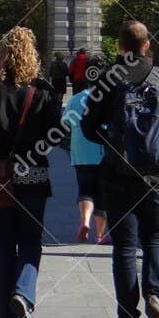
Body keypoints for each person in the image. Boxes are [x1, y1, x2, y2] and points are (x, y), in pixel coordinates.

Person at [84, 22, 159, 318]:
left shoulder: (108, 79)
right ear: (147, 46)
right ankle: (156, 296)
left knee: (125, 247)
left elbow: (88, 127)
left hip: (118, 173)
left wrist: (113, 139)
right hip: (157, 174)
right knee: (156, 238)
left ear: (120, 47)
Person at [0, 26, 62, 318]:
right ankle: (23, 294)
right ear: (33, 54)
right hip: (33, 172)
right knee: (32, 241)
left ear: (2, 54)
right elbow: (54, 136)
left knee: (4, 244)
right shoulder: (45, 90)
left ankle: (6, 317)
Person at [62, 53, 107, 244]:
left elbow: (65, 122)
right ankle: (99, 235)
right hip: (103, 152)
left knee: (85, 189)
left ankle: (85, 222)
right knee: (103, 193)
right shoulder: (107, 98)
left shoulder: (77, 98)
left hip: (80, 151)